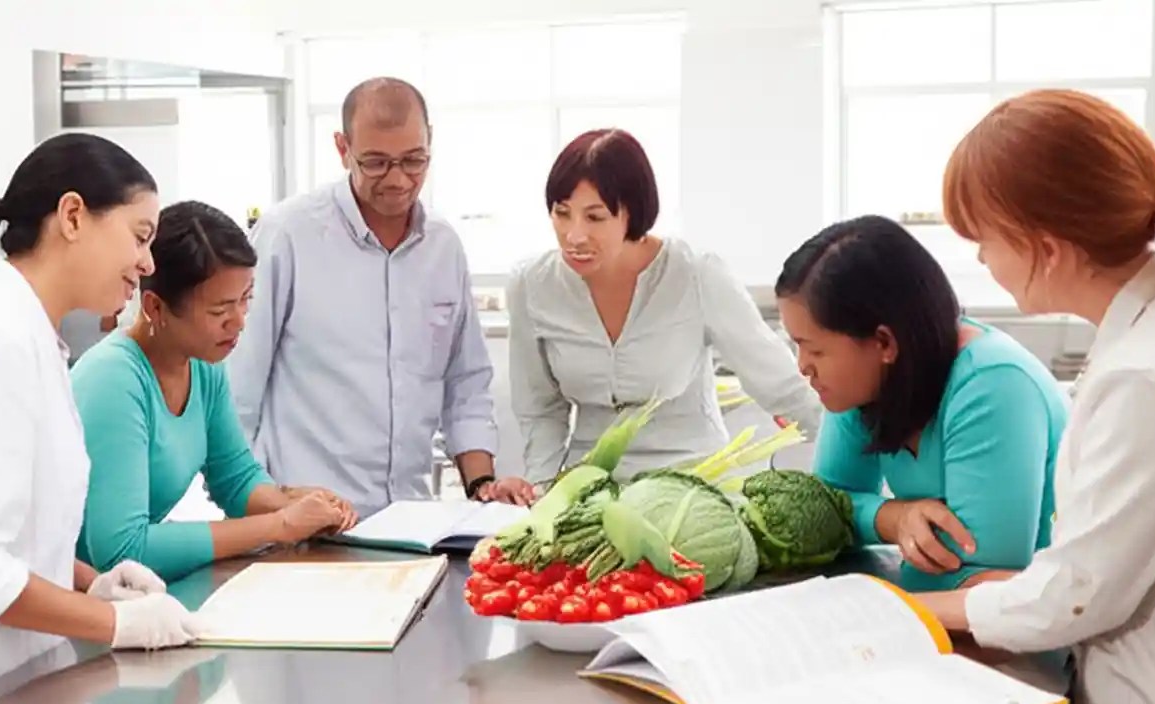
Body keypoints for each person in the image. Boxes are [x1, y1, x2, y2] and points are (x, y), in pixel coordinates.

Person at [0, 133, 200, 704]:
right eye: (140, 236)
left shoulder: (29, 334)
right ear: (73, 216)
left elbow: (19, 534)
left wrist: (88, 582)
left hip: (20, 683)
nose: (148, 263)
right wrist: (114, 622)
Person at [915, 89, 1155, 704]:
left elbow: (1076, 598)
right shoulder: (1141, 339)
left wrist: (918, 608)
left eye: (984, 240)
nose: (983, 259)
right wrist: (1026, 587)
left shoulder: (1144, 376)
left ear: (1047, 248)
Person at [227, 77, 534, 518]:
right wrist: (261, 512)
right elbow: (238, 390)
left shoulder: (442, 247)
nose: (398, 179)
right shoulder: (288, 235)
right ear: (343, 148)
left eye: (414, 160)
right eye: (375, 163)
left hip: (409, 520)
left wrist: (482, 485)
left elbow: (465, 383)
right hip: (302, 520)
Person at [775, 214, 1068, 593]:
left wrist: (870, 523)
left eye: (815, 350)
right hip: (939, 607)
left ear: (884, 343)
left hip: (1033, 618)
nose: (803, 367)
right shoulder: (859, 386)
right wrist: (893, 518)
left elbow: (982, 574)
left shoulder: (993, 385)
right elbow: (826, 508)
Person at [508, 128, 821, 481]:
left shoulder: (696, 273)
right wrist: (543, 490)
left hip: (694, 481)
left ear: (632, 213)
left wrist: (859, 451)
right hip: (590, 486)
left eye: (595, 217)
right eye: (562, 213)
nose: (574, 235)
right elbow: (540, 411)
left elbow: (781, 385)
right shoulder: (532, 284)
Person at [70, 200, 359, 583]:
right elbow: (122, 550)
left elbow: (235, 478)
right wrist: (280, 524)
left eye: (245, 300)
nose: (238, 322)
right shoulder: (114, 379)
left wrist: (296, 504)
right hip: (71, 599)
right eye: (220, 310)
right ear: (155, 308)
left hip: (125, 594)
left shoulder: (203, 364)